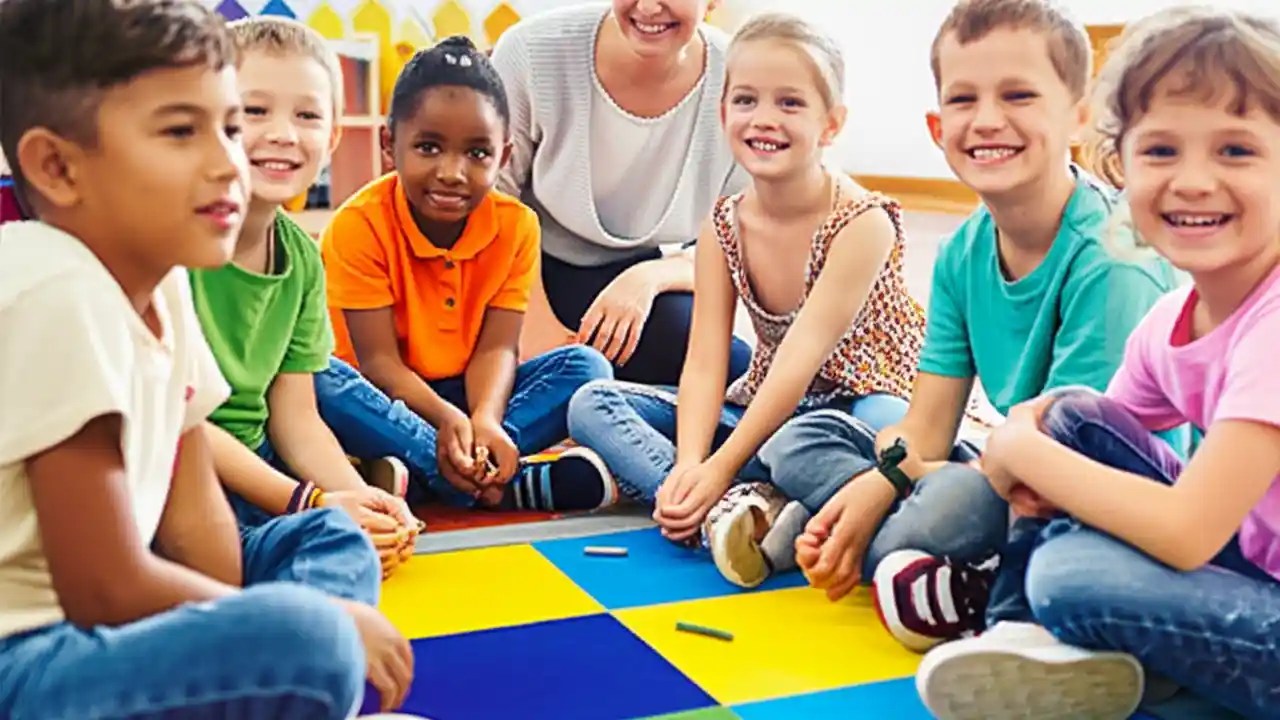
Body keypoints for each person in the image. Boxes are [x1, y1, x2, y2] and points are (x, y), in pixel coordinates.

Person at [0, 1, 411, 717]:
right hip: (33, 654)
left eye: (228, 126)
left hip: (124, 607)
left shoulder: (164, 281)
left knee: (331, 538)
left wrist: (237, 631)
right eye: (182, 132)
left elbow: (196, 524)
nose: (229, 161)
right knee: (313, 639)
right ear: (58, 167)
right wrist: (282, 630)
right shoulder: (55, 287)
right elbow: (104, 587)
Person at [915, 9, 1280, 720]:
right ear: (1122, 162)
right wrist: (1029, 448)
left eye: (1235, 151)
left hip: (1251, 582)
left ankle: (1047, 626)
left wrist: (1014, 446)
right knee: (1070, 414)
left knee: (1071, 576)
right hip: (1252, 563)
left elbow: (1186, 531)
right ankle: (1025, 632)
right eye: (1162, 151)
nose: (1194, 181)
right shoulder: (1167, 325)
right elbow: (1059, 448)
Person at [783, 0, 1179, 641]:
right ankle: (855, 525)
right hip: (1007, 462)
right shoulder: (963, 252)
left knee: (937, 510)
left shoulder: (1112, 258)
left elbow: (1067, 453)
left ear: (1080, 116)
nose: (988, 120)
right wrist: (883, 480)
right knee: (805, 436)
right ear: (938, 127)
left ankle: (844, 529)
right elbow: (929, 426)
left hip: (1089, 492)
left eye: (1019, 94)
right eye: (964, 100)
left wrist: (885, 487)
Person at [569, 13, 925, 589]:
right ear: (723, 113)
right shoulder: (724, 224)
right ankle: (728, 511)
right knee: (593, 402)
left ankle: (777, 501)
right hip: (769, 405)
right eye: (746, 100)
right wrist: (690, 465)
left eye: (790, 103)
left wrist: (722, 462)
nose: (764, 119)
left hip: (867, 399)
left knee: (883, 443)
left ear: (831, 124)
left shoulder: (863, 221)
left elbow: (800, 357)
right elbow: (706, 359)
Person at [319, 37, 617, 513]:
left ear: (503, 157)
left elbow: (497, 347)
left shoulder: (516, 225)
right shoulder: (358, 225)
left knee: (585, 367)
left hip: (463, 389)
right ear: (390, 145)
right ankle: (505, 484)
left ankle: (443, 471)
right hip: (381, 399)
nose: (452, 172)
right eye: (429, 147)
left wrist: (485, 421)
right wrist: (444, 420)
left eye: (477, 154)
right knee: (320, 377)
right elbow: (379, 364)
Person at [192, 16, 418, 579]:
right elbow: (178, 426)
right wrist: (309, 502)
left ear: (333, 136)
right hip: (175, 475)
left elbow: (295, 417)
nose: (283, 134)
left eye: (308, 116)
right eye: (254, 111)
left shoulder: (300, 256)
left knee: (351, 545)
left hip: (256, 471)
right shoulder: (171, 247)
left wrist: (362, 500)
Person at [489, 0, 752, 386]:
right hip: (519, 271)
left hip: (634, 276)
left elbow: (750, 239)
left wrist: (652, 276)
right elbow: (490, 204)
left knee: (733, 369)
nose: (647, 7)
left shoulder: (741, 78)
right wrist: (536, 332)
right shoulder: (531, 50)